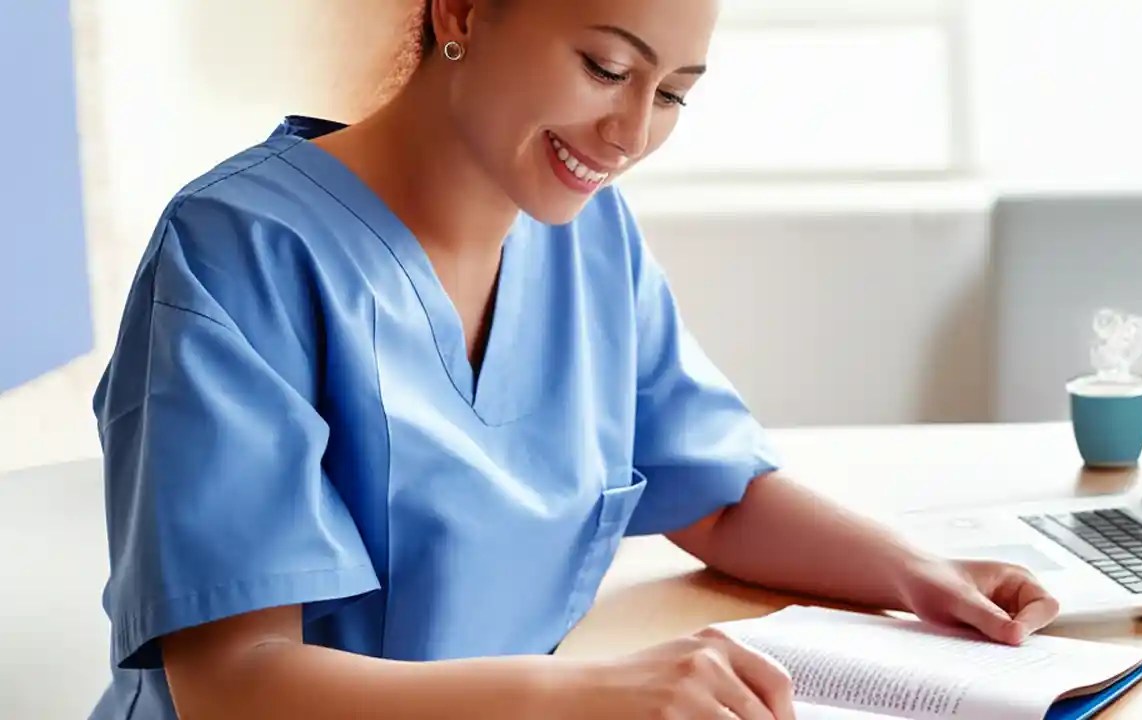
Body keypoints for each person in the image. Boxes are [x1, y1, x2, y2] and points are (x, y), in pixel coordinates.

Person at [88, 1, 1060, 718]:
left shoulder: (588, 240)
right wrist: (582, 695)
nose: (632, 135)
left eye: (673, 94)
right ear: (461, 12)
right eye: (604, 67)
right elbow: (233, 682)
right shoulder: (239, 252)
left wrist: (919, 576)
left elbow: (713, 492)